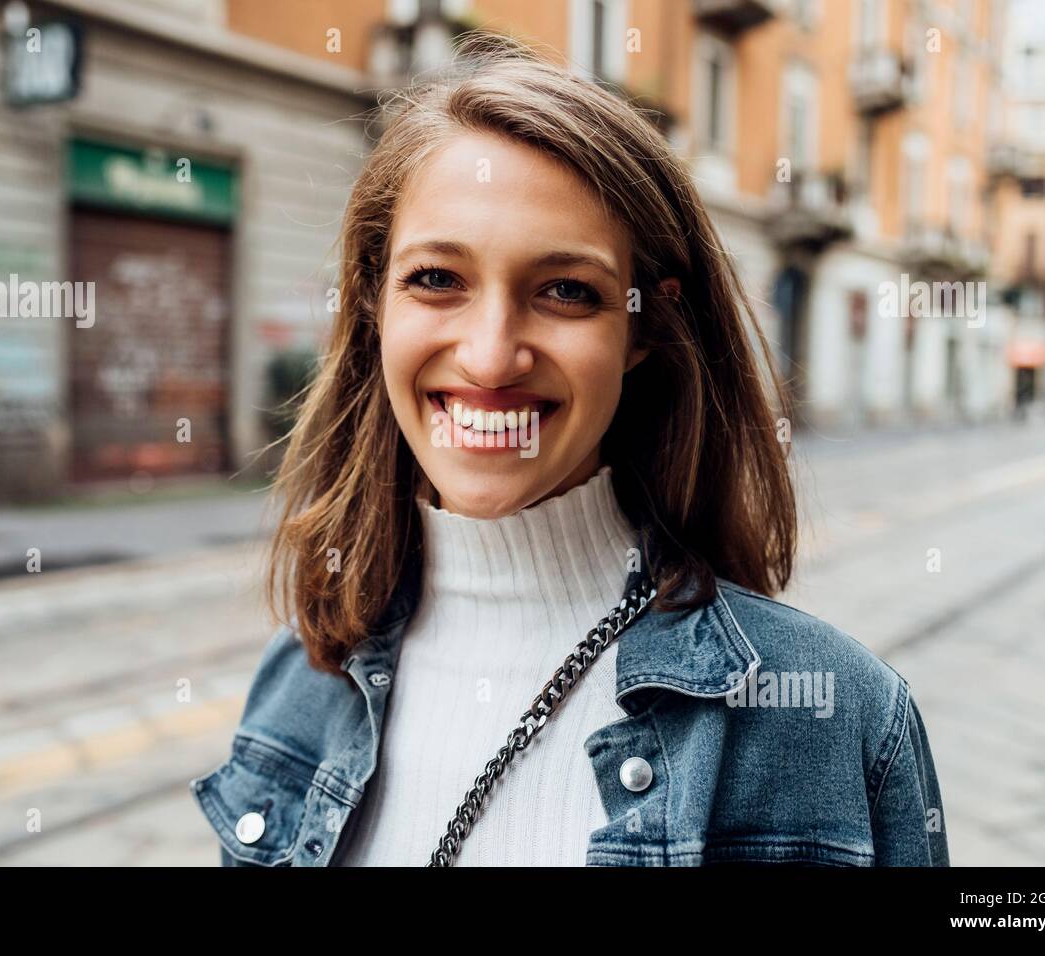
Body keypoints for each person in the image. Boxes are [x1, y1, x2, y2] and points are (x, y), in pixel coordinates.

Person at [191, 31, 949, 867]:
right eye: (437, 279)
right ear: (376, 305)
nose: (488, 356)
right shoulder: (300, 676)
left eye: (565, 291)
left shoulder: (834, 718)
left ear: (642, 330)